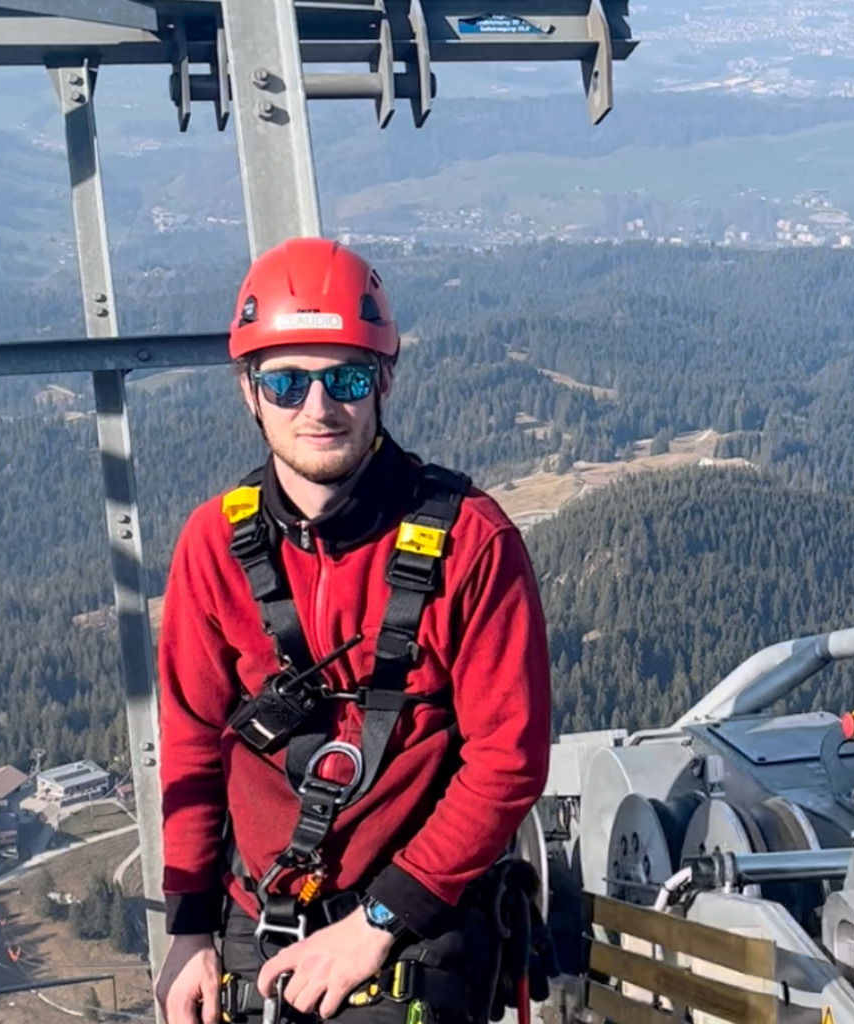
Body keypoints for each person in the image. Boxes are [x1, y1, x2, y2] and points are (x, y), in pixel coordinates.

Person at [154, 236, 552, 1024]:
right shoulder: (214, 546)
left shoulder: (472, 542)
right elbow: (194, 744)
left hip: (413, 922)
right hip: (254, 918)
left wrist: (377, 925)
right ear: (249, 392)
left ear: (385, 382)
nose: (318, 407)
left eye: (346, 377)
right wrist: (189, 926)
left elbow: (506, 760)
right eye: (287, 382)